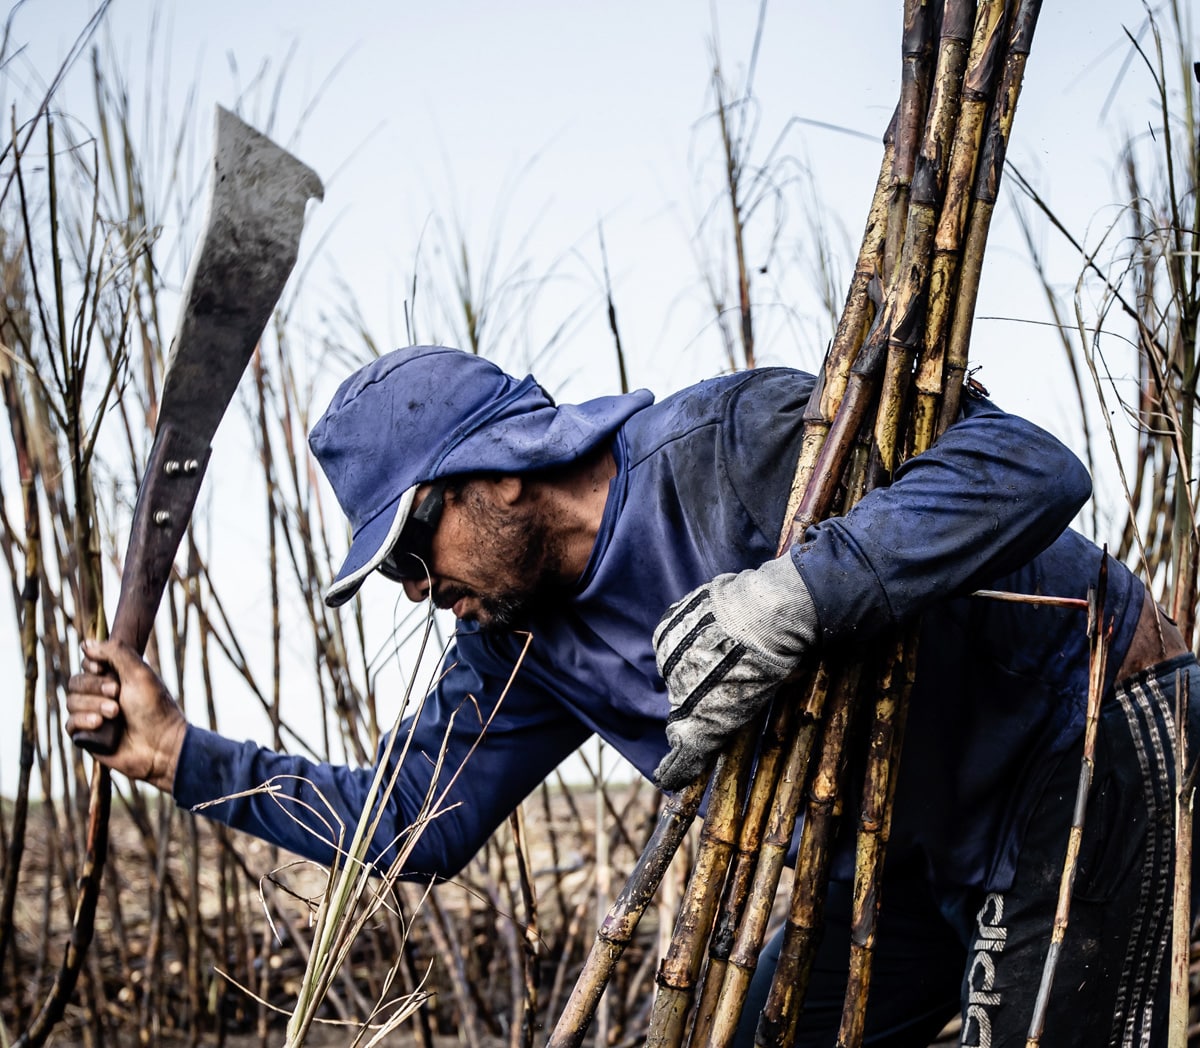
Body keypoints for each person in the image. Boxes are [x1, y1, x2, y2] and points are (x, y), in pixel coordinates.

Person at [68, 345, 1196, 1046]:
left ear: (502, 468)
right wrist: (178, 754)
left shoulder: (730, 447)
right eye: (397, 580)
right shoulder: (519, 642)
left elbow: (1030, 466)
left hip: (1086, 735)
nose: (419, 593)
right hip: (910, 846)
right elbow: (416, 818)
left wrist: (798, 593)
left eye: (414, 549)